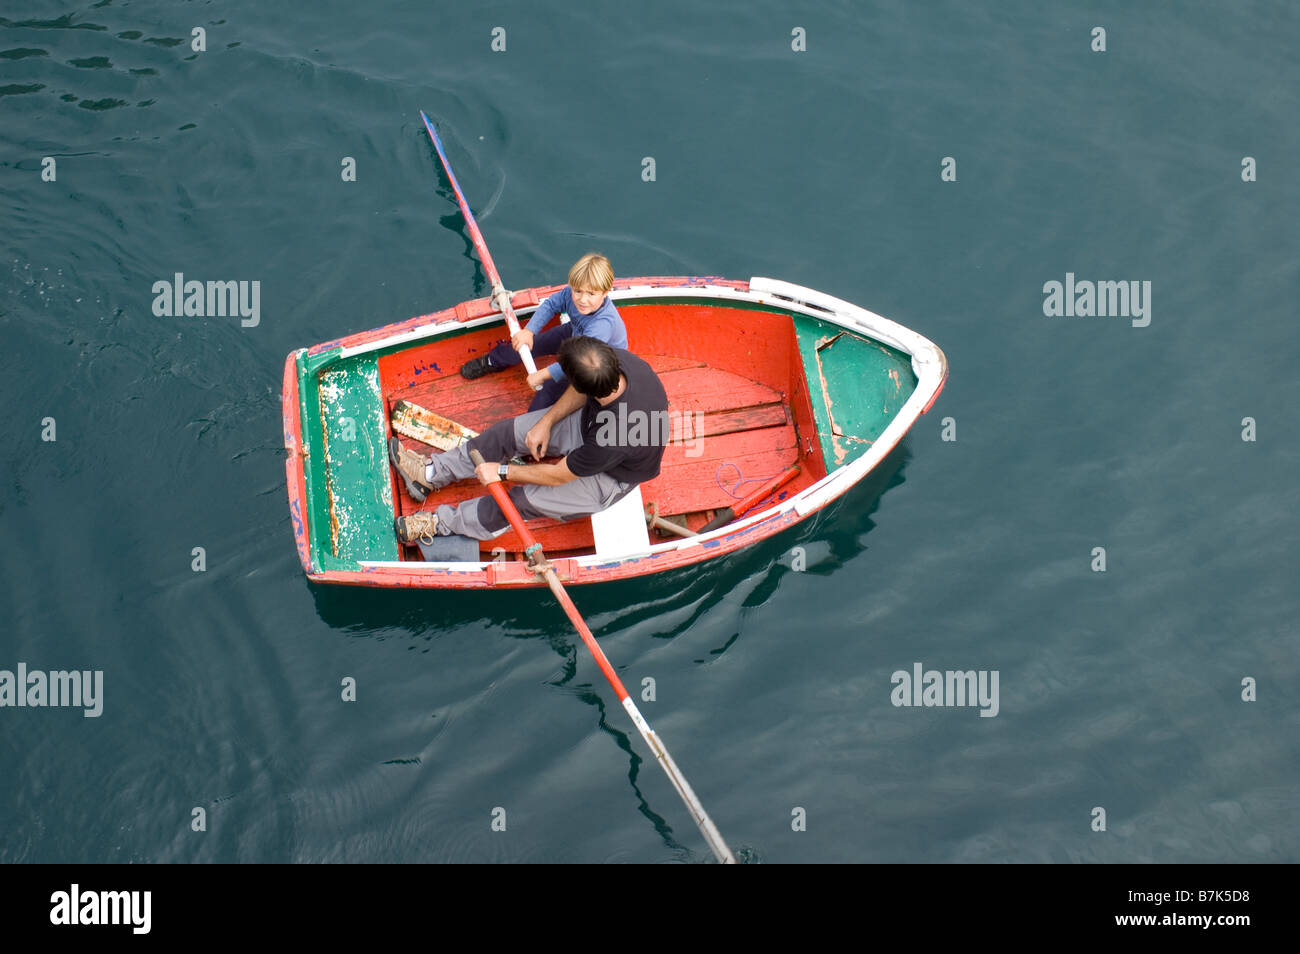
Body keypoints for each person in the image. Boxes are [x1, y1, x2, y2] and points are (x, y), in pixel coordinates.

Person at [391, 337, 667, 544]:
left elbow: (559, 476)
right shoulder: (611, 361)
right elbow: (582, 389)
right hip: (593, 420)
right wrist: (545, 423)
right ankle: (429, 474)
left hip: (611, 474)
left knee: (522, 500)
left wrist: (500, 471)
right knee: (507, 433)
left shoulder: (614, 439)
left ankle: (441, 524)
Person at [459, 252, 627, 410]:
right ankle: (492, 361)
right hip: (576, 334)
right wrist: (529, 331)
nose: (582, 299)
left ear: (606, 292)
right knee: (525, 343)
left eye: (591, 294)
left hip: (594, 363)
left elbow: (579, 363)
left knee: (546, 393)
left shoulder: (602, 325)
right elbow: (551, 304)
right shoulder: (571, 294)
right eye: (578, 291)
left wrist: (542, 375)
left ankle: (533, 426)